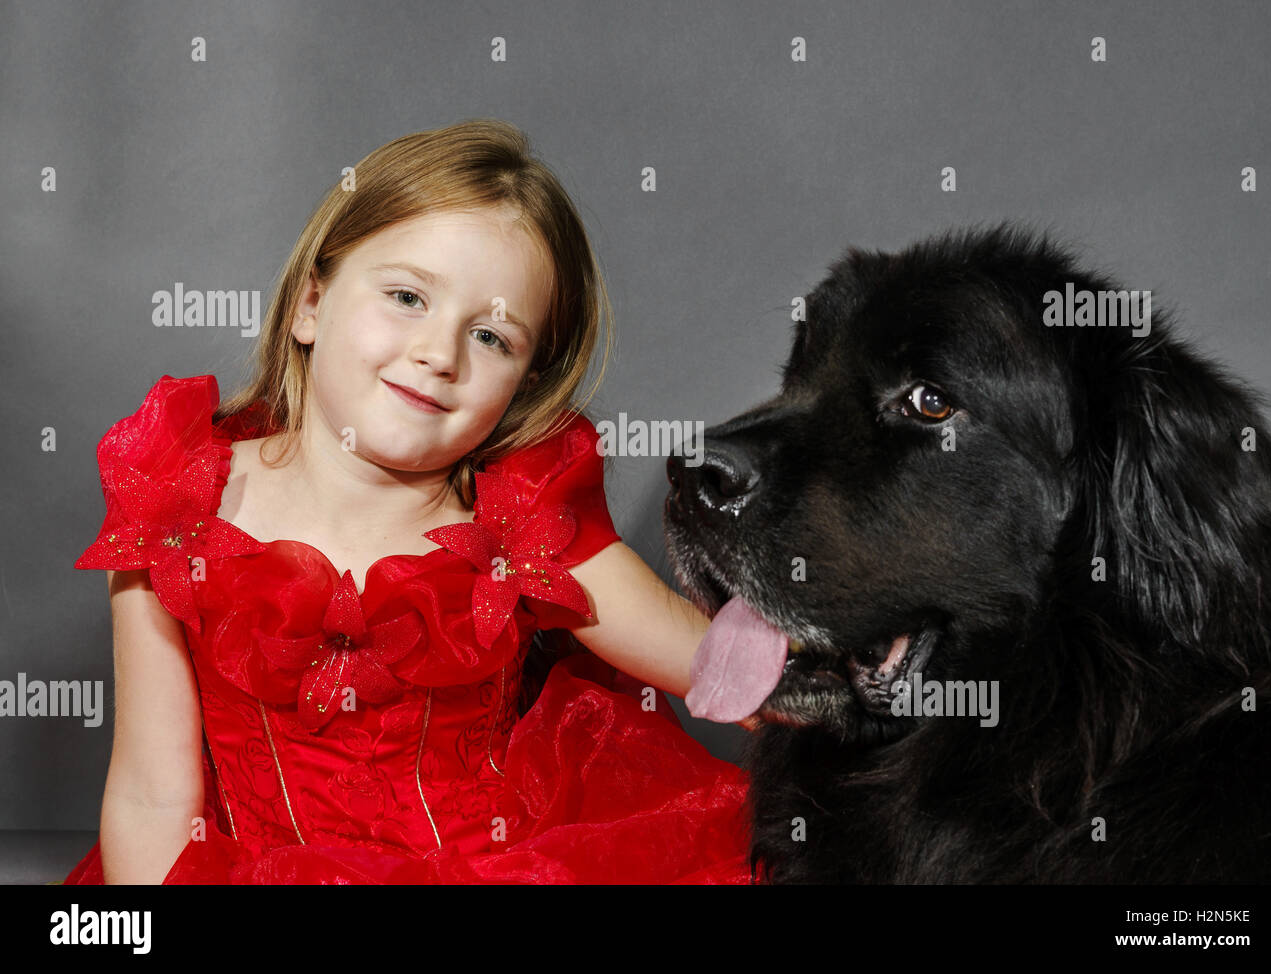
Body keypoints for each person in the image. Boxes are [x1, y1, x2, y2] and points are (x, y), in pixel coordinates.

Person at [62, 120, 753, 885]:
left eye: (492, 337)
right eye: (405, 297)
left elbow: (714, 668)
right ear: (310, 306)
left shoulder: (520, 519)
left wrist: (856, 665)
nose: (438, 354)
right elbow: (152, 798)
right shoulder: (176, 508)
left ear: (524, 383)